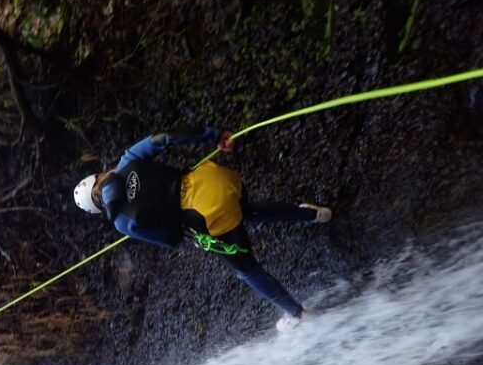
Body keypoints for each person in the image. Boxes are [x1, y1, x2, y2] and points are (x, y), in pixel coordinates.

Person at [73, 125, 331, 331]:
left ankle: (297, 314)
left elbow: (171, 238)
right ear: (97, 176)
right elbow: (165, 137)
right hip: (215, 178)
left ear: (98, 207)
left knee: (247, 270)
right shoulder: (128, 159)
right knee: (245, 210)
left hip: (205, 216)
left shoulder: (121, 221)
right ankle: (313, 214)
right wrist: (216, 135)